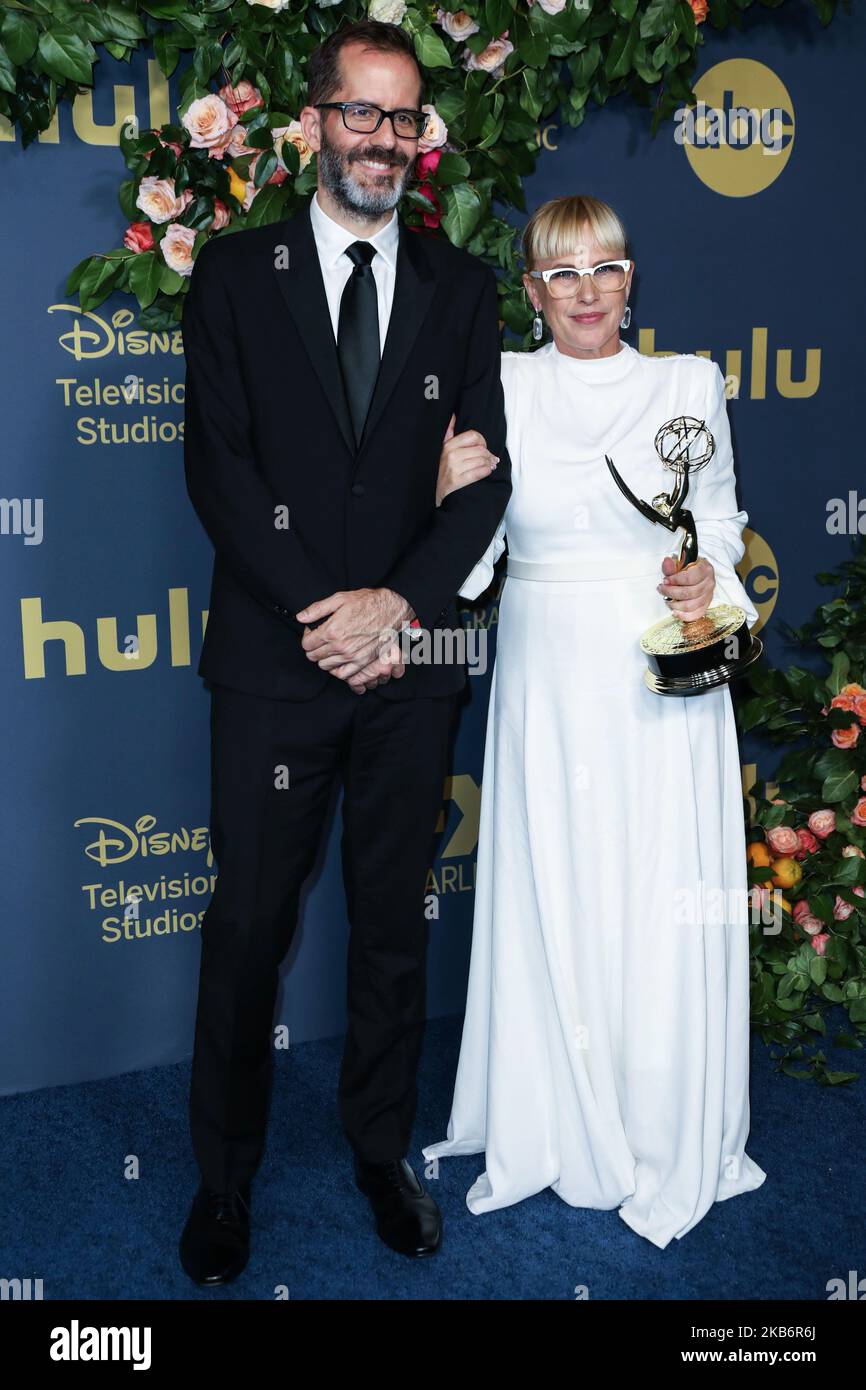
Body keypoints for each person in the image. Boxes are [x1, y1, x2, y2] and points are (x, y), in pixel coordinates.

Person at [178, 19, 511, 1284]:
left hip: (409, 665)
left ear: (424, 137)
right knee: (248, 924)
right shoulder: (233, 273)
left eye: (406, 118)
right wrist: (332, 608)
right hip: (275, 658)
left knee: (390, 924)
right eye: (362, 113)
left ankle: (382, 1150)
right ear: (315, 121)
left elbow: (481, 482)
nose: (384, 139)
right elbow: (220, 467)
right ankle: (221, 1181)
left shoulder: (461, 289)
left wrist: (398, 613)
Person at [423, 194, 767, 1250]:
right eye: (559, 272)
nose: (584, 290)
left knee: (659, 881)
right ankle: (553, 1116)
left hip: (658, 666)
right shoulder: (506, 384)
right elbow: (472, 557)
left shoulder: (687, 383)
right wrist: (441, 494)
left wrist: (707, 581)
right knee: (559, 880)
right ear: (530, 291)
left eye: (603, 268)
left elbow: (714, 515)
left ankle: (662, 1110)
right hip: (546, 665)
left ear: (629, 281)